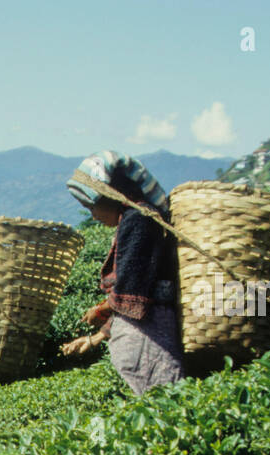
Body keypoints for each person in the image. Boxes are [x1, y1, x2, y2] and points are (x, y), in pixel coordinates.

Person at [60, 151, 186, 395]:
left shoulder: (138, 218)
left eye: (92, 206)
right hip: (147, 329)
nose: (93, 216)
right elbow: (129, 305)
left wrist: (101, 308)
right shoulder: (135, 217)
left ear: (110, 195)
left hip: (151, 332)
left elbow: (132, 287)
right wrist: (94, 338)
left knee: (162, 396)